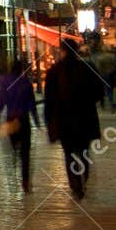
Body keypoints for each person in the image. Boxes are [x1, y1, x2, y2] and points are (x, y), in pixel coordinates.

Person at [43, 37, 103, 200]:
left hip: (64, 121)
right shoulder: (87, 68)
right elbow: (99, 91)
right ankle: (82, 178)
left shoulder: (54, 72)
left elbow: (49, 101)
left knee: (69, 153)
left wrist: (49, 122)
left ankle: (76, 184)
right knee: (83, 151)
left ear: (63, 51)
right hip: (84, 119)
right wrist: (89, 102)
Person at [0, 58, 39, 191]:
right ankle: (25, 181)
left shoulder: (6, 83)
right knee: (25, 154)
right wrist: (37, 123)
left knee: (11, 150)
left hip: (11, 120)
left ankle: (12, 178)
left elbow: (1, 102)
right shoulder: (26, 83)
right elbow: (32, 105)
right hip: (24, 120)